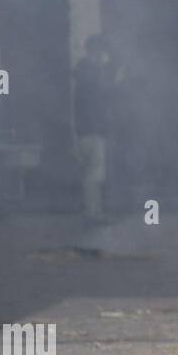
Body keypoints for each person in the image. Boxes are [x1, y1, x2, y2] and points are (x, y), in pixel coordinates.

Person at [73, 34, 115, 219]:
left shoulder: (82, 72)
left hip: (86, 129)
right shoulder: (90, 74)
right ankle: (94, 214)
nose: (105, 57)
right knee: (94, 175)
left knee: (91, 174)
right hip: (92, 130)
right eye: (103, 52)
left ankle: (94, 211)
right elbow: (99, 98)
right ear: (96, 52)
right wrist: (115, 83)